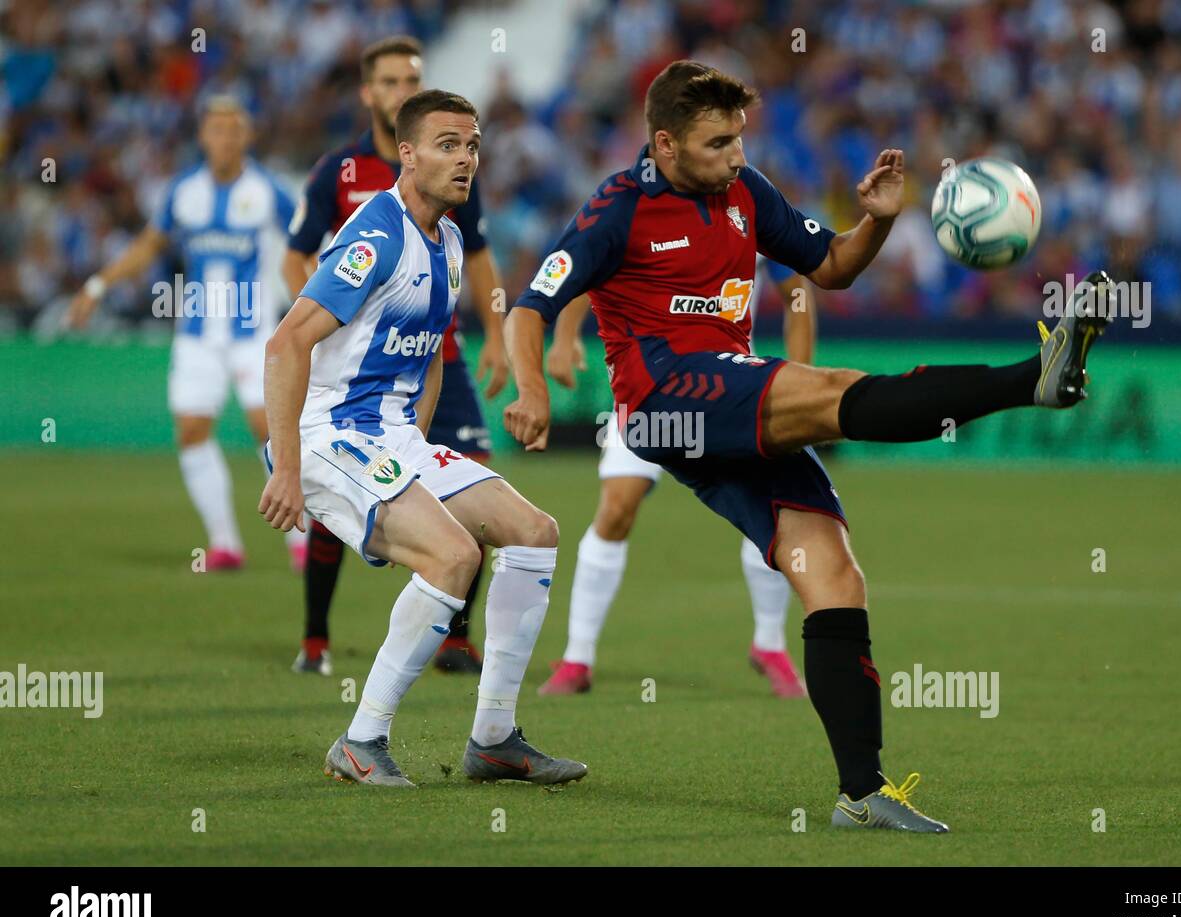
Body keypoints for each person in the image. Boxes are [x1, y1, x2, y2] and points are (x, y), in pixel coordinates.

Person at [502, 61, 1112, 831]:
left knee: (833, 572)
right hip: (662, 402)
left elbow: (832, 268)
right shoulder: (615, 210)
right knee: (830, 392)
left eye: (740, 138)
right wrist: (530, 388)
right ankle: (1034, 379)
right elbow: (531, 307)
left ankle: (861, 794)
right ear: (664, 142)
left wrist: (879, 220)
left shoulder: (747, 193)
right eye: (717, 142)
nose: (733, 154)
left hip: (727, 402)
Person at [259, 89, 584, 788]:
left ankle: (494, 738)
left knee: (534, 531)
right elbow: (286, 344)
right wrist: (285, 465)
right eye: (446, 144)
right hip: (329, 433)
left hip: (393, 436)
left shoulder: (450, 241)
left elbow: (432, 352)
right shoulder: (374, 236)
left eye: (471, 145)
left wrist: (419, 454)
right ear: (406, 155)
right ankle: (360, 739)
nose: (465, 158)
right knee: (452, 555)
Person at [281, 36, 510, 677]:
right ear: (368, 93)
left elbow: (481, 256)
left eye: (411, 77)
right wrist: (326, 307)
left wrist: (496, 332)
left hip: (437, 352)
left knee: (475, 488)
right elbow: (298, 258)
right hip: (360, 365)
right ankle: (318, 639)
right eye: (388, 80)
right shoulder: (341, 173)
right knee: (346, 488)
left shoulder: (456, 180)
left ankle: (457, 639)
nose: (400, 89)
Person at [540, 258, 817, 697]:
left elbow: (797, 301)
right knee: (616, 510)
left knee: (768, 512)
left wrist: (799, 383)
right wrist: (565, 336)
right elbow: (588, 264)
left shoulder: (755, 215)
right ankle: (578, 657)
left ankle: (769, 645)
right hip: (649, 389)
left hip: (733, 390)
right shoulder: (640, 207)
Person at [67, 96, 304, 571]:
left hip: (254, 330)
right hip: (197, 333)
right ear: (203, 137)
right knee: (193, 430)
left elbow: (304, 248)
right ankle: (224, 543)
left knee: (270, 428)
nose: (225, 138)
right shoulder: (183, 192)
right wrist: (97, 285)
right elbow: (148, 244)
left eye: (234, 129)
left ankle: (302, 540)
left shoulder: (269, 191)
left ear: (247, 137)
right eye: (216, 129)